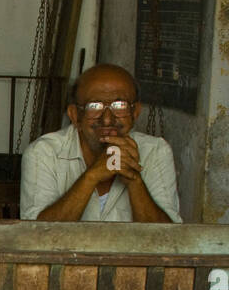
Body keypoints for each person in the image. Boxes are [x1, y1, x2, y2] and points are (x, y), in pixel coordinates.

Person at [21, 63, 181, 223]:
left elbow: (168, 239)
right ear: (75, 115)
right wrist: (92, 176)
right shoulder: (43, 152)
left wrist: (134, 180)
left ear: (135, 113)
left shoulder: (156, 151)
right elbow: (37, 235)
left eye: (120, 106)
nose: (107, 119)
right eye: (94, 106)